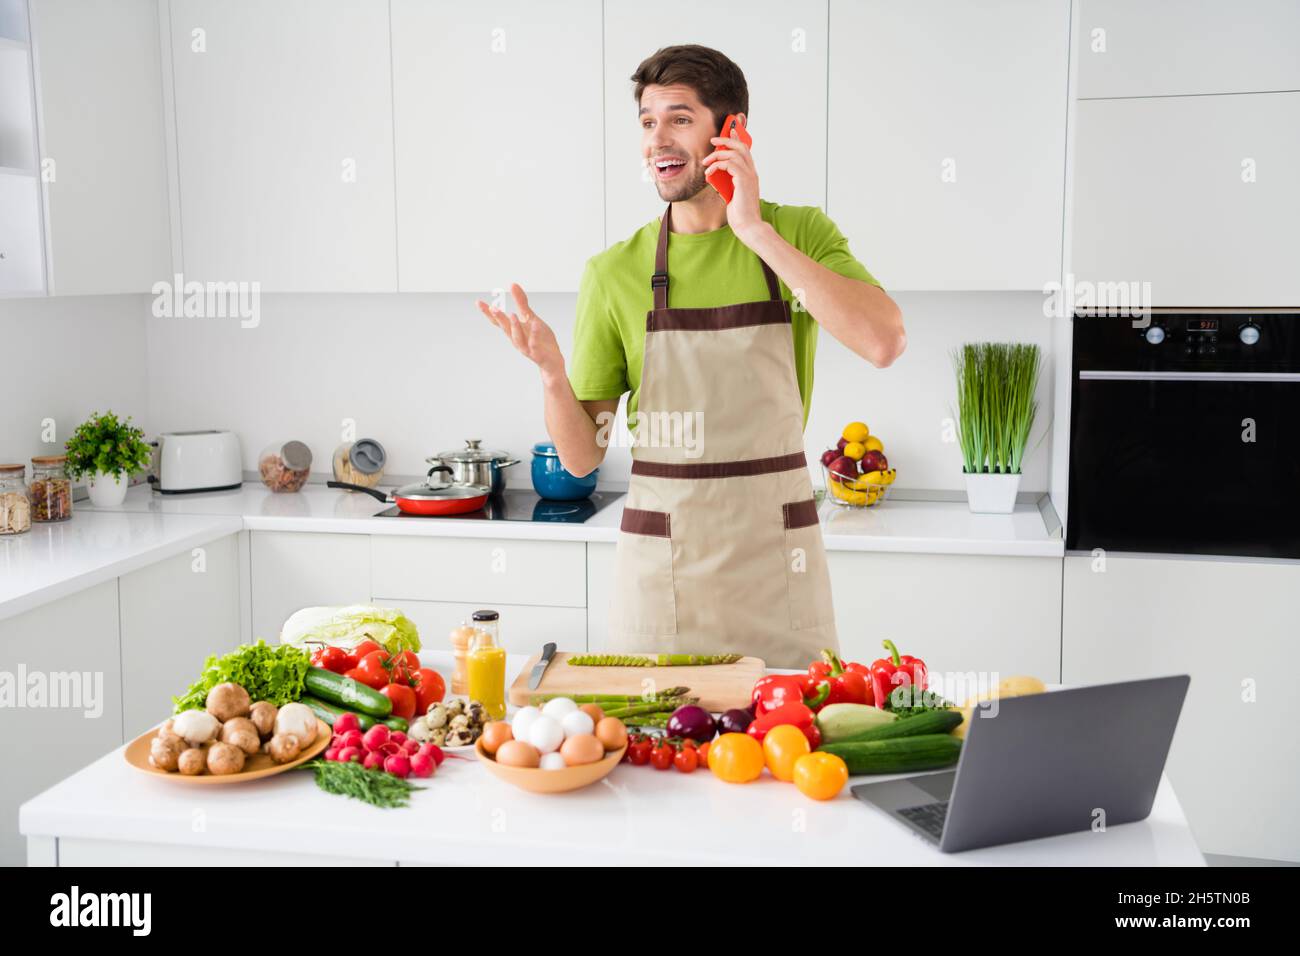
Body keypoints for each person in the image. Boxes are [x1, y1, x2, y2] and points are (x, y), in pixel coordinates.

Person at [478, 44, 904, 668]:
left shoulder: (798, 234)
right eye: (648, 123)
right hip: (662, 575)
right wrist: (551, 375)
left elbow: (883, 341)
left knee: (788, 751)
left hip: (776, 564)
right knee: (657, 754)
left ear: (731, 132)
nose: (658, 139)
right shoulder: (614, 271)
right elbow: (580, 456)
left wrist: (753, 228)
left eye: (679, 118)